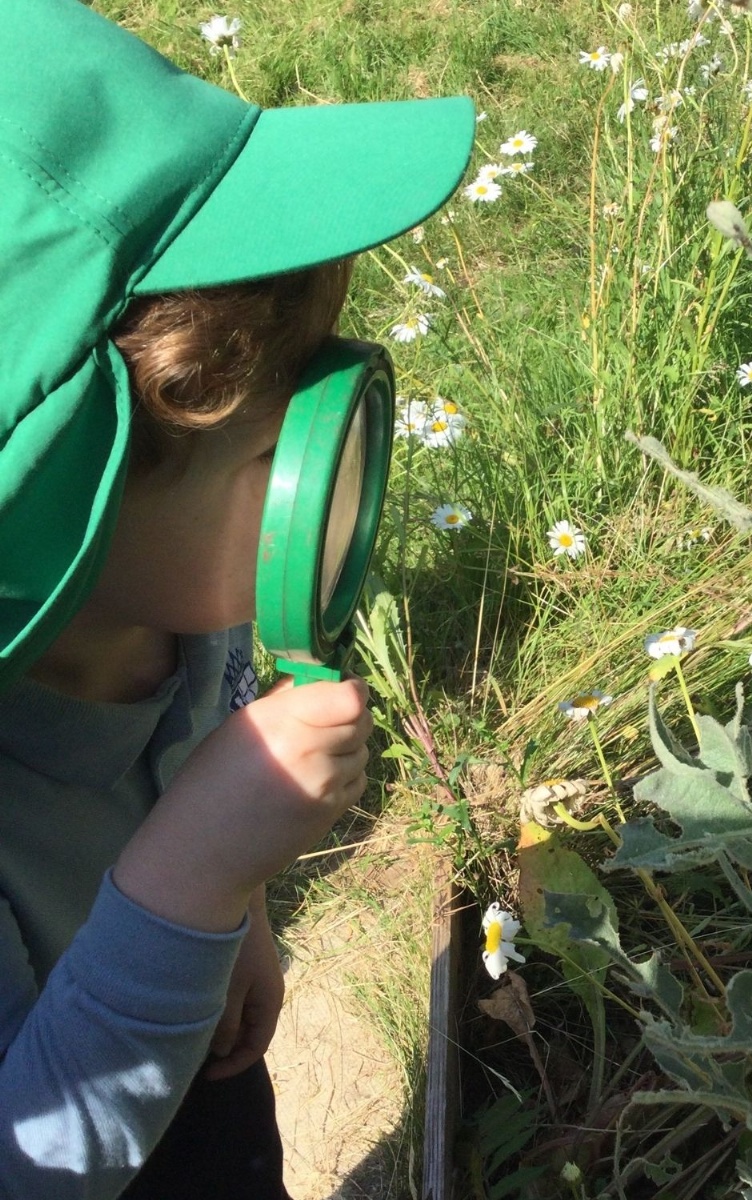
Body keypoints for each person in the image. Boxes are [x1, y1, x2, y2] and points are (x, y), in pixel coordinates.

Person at [0, 2, 475, 1196]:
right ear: (73, 492)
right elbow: (32, 1153)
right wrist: (191, 883)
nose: (346, 458)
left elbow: (197, 736)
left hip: (186, 1036)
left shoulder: (177, 600)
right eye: (287, 444)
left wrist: (236, 911)